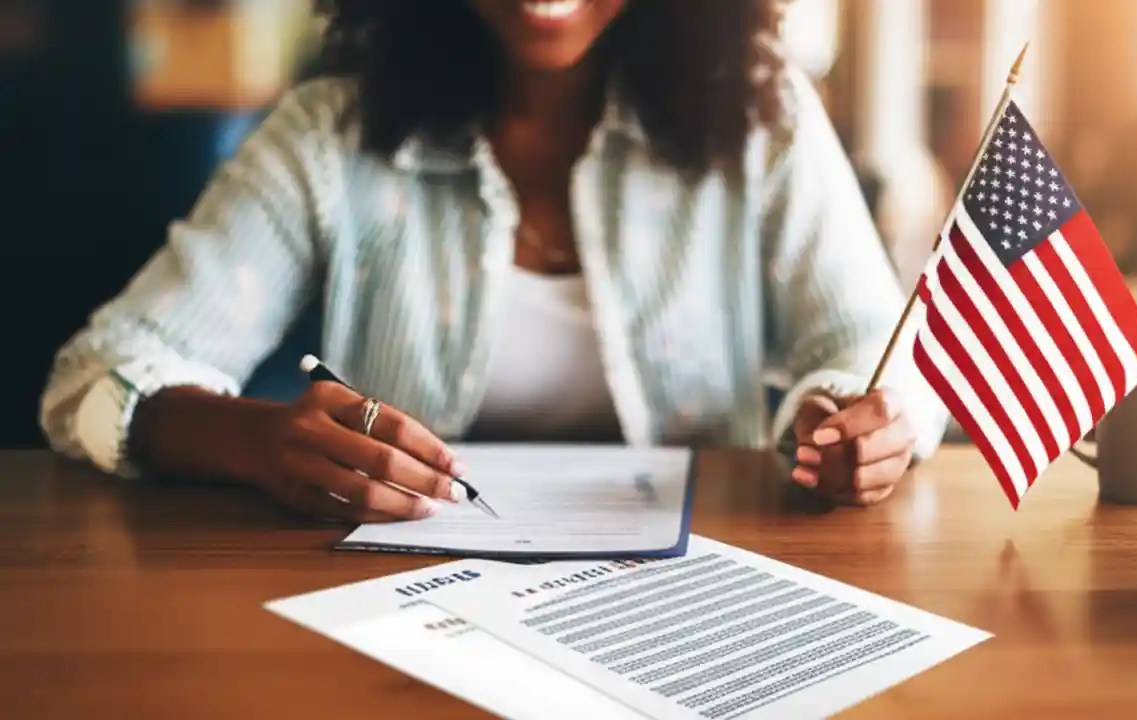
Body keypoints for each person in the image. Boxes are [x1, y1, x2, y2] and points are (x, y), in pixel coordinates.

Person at [40, 0, 947, 523]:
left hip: (706, 590)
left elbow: (883, 360)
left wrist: (850, 420)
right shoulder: (331, 134)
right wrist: (256, 440)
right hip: (405, 625)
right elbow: (93, 380)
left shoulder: (765, 118)